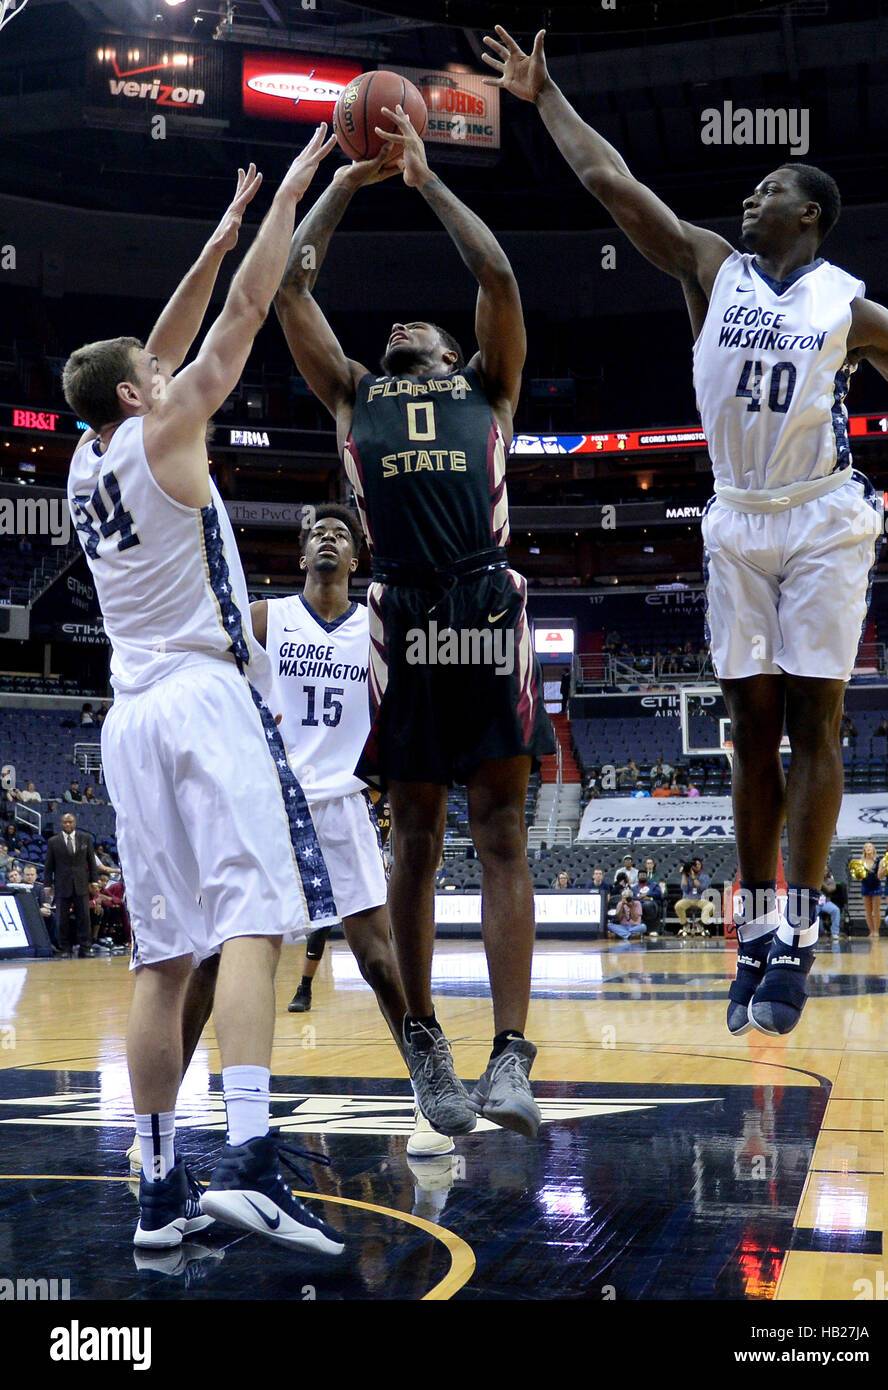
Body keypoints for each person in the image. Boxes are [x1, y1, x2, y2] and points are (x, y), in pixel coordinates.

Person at [483, 24, 888, 1040]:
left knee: (814, 729)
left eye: (768, 187)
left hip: (821, 519)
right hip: (733, 518)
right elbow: (611, 181)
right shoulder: (708, 266)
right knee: (748, 740)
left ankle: (797, 935)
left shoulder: (848, 306)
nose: (748, 198)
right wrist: (545, 98)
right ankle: (757, 921)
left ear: (807, 213)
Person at [62, 131, 348, 1254]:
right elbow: (236, 319)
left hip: (126, 716)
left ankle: (159, 1189)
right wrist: (292, 194)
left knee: (160, 955)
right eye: (152, 369)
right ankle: (251, 1156)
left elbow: (170, 333)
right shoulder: (171, 427)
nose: (165, 367)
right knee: (259, 918)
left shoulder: (92, 458)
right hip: (202, 695)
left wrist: (217, 233)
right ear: (142, 394)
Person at [275, 109, 555, 1142]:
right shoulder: (354, 394)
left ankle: (512, 1057)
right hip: (400, 609)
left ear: (450, 348)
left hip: (483, 601)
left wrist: (428, 181)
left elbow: (500, 283)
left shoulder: (489, 383)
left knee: (500, 832)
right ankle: (427, 1047)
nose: (400, 326)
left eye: (417, 326)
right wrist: (350, 180)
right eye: (393, 328)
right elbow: (294, 287)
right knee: (416, 838)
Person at [253, 504, 452, 1158]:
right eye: (317, 534)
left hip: (342, 807)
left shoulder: (379, 628)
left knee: (377, 961)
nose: (328, 540)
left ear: (356, 559)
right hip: (273, 804)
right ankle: (164, 1120)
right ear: (301, 556)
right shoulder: (269, 616)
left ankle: (430, 1094)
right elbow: (201, 639)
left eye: (340, 534)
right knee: (222, 959)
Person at [43, 812, 98, 957]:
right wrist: (47, 885)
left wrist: (94, 880)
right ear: (61, 823)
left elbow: (92, 861)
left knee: (84, 918)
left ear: (75, 823)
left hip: (81, 884)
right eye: (65, 822)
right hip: (62, 885)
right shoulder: (53, 841)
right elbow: (49, 865)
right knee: (62, 919)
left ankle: (85, 948)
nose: (68, 824)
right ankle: (64, 948)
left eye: (70, 822)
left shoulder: (85, 838)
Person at [674, 857, 714, 936]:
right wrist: (684, 875)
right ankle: (685, 923)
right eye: (695, 864)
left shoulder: (705, 877)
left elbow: (702, 889)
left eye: (698, 864)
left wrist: (694, 878)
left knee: (711, 906)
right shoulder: (686, 876)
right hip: (687, 899)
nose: (697, 866)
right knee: (678, 906)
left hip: (700, 899)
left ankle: (701, 923)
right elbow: (684, 889)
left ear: (701, 866)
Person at [850, 842, 882, 937]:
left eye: (870, 847)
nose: (868, 849)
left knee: (876, 911)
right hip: (865, 886)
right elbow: (857, 876)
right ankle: (871, 931)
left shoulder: (878, 859)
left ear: (873, 849)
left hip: (876, 885)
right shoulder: (860, 861)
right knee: (868, 911)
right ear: (864, 850)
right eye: (866, 847)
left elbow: (880, 874)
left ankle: (877, 931)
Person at [635, 868, 663, 936]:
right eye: (640, 875)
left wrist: (648, 896)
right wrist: (640, 898)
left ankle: (651, 929)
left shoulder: (653, 885)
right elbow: (632, 897)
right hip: (639, 903)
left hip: (652, 903)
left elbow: (659, 893)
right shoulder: (634, 888)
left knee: (647, 905)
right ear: (638, 877)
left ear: (647, 876)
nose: (642, 876)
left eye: (644, 875)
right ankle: (638, 929)